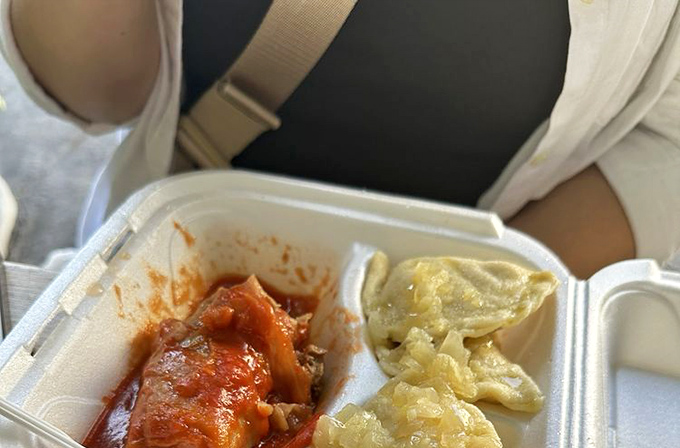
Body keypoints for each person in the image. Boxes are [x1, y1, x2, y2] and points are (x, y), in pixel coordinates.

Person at [3, 1, 680, 278]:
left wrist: (451, 321)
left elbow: (666, 141)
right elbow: (102, 89)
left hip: (473, 316)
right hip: (161, 261)